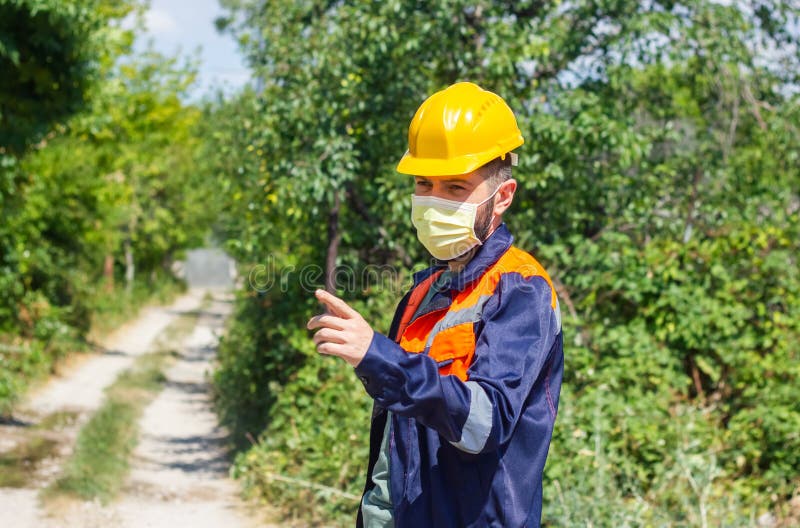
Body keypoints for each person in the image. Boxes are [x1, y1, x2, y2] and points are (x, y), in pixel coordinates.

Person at [307, 82, 564, 528]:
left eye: (455, 186)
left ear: (502, 196)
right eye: (424, 183)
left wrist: (379, 355)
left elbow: (483, 425)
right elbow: (405, 417)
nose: (433, 200)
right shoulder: (424, 289)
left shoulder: (521, 290)